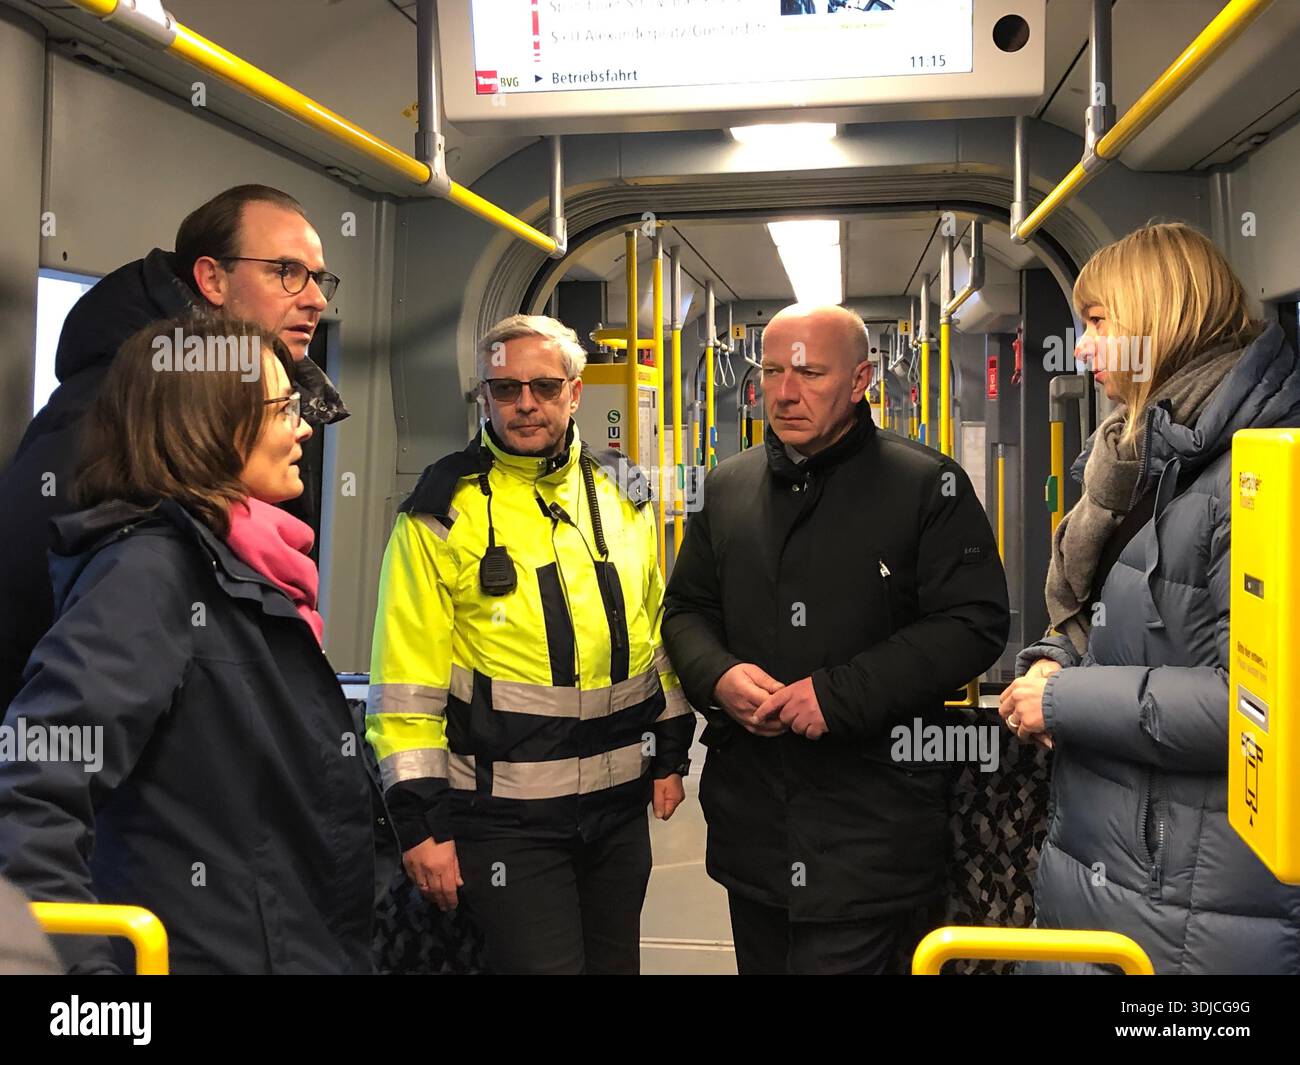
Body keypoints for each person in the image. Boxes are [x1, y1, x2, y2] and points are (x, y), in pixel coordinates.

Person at [0, 318, 378, 974]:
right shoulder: (147, 576)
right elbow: (30, 798)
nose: (305, 428)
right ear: (210, 422)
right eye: (284, 407)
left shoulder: (253, 572)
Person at [662, 303, 1009, 975]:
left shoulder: (924, 485)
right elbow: (686, 609)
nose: (785, 392)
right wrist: (718, 677)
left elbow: (973, 622)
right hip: (753, 826)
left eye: (809, 373)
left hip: (872, 828)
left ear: (860, 381)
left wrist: (839, 695)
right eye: (770, 372)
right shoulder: (729, 488)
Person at [1000, 222, 1300, 974]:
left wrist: (1063, 700)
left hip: (1198, 901)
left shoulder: (1255, 472)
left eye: (1098, 323)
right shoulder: (1142, 455)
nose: (1083, 349)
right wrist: (1049, 663)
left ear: (1159, 317)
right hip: (1117, 866)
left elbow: (1256, 703)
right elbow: (1109, 623)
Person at [365, 314, 694, 975]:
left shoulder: (621, 492)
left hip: (618, 809)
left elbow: (652, 634)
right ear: (483, 396)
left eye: (543, 386)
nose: (525, 404)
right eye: (505, 388)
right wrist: (423, 825)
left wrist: (669, 751)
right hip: (505, 818)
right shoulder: (440, 510)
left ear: (575, 392)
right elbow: (406, 688)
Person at [0, 184, 347, 712]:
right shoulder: (111, 412)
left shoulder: (256, 392)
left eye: (318, 278)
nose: (316, 298)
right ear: (211, 278)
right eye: (286, 272)